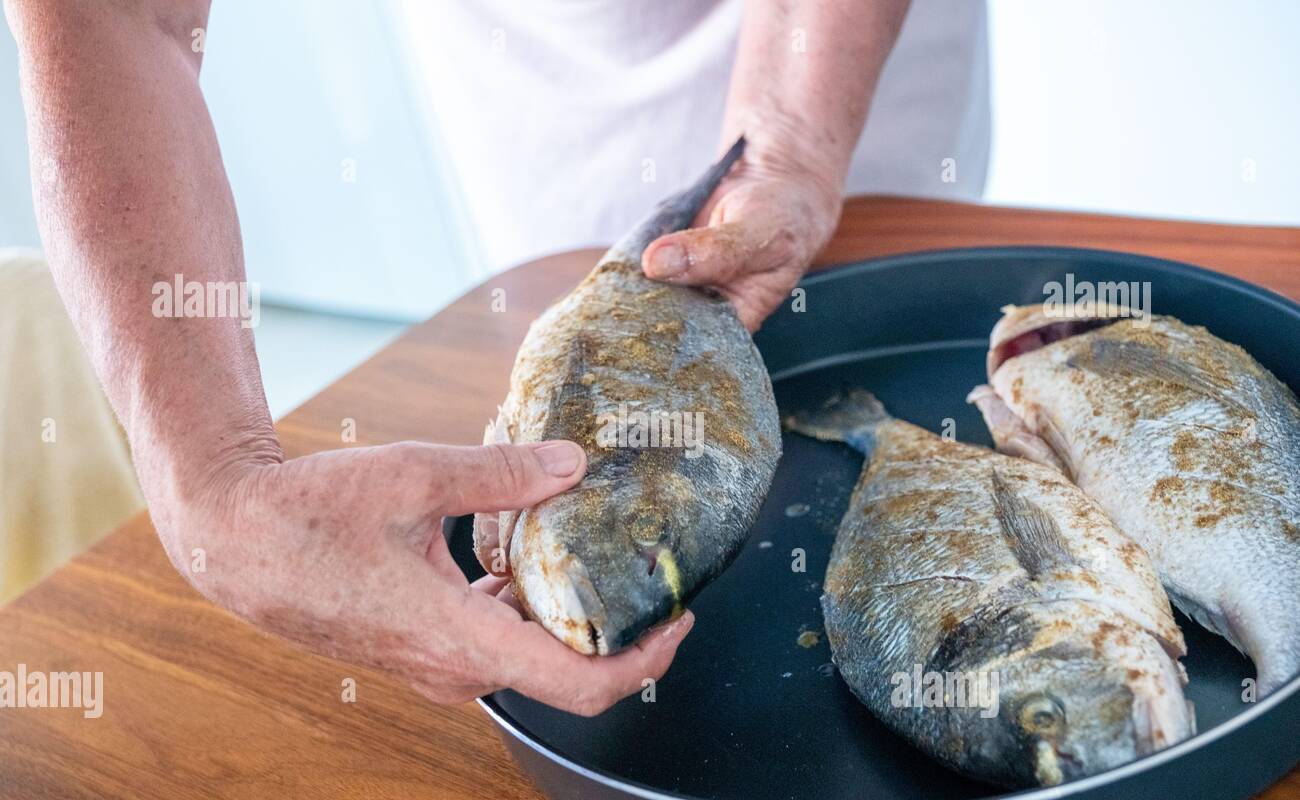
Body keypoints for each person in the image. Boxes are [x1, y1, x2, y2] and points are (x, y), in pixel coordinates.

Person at [4, 0, 987, 715]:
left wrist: (787, 146)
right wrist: (211, 483)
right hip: (548, 71)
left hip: (850, 77)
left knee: (865, 290)